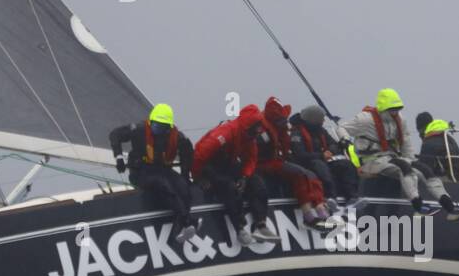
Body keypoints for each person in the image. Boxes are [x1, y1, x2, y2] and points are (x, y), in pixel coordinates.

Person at [339, 88, 459, 214]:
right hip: (371, 161)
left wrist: (412, 160)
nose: (395, 112)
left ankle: (448, 204)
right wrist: (345, 140)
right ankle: (417, 205)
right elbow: (342, 128)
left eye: (397, 108)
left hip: (391, 158)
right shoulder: (364, 120)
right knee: (404, 167)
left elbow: (406, 142)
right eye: (392, 109)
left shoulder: (399, 120)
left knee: (425, 169)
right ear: (383, 108)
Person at [110, 103, 199, 243]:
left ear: (169, 127)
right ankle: (188, 221)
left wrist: (185, 174)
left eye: (162, 127)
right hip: (141, 172)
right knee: (163, 185)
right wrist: (119, 157)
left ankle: (180, 226)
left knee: (183, 187)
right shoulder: (138, 129)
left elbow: (187, 153)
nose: (157, 129)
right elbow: (115, 135)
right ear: (150, 121)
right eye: (155, 125)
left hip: (163, 170)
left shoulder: (177, 137)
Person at [192, 104, 280, 245]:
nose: (258, 132)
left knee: (257, 184)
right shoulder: (226, 132)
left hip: (228, 164)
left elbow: (251, 159)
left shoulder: (249, 137)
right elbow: (200, 155)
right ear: (249, 126)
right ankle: (239, 228)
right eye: (256, 128)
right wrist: (198, 177)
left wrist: (245, 177)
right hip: (210, 166)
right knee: (229, 187)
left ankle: (261, 225)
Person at [258, 97, 330, 226]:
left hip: (279, 161)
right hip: (265, 163)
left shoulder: (282, 128)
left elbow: (285, 149)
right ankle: (308, 214)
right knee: (300, 174)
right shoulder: (261, 129)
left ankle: (320, 208)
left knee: (310, 175)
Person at [290, 105, 360, 201]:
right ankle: (331, 198)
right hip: (308, 162)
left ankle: (352, 196)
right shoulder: (296, 133)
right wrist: (321, 155)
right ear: (314, 119)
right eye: (322, 119)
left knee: (346, 165)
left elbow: (333, 144)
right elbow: (300, 154)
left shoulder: (321, 131)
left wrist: (330, 150)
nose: (323, 121)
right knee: (321, 167)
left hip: (323, 159)